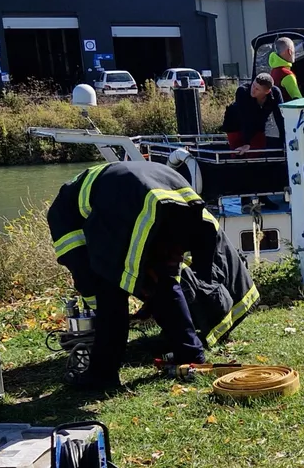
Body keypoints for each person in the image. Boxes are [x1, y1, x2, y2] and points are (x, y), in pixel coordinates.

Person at [47, 161, 260, 392]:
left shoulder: (61, 215)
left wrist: (99, 307)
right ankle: (190, 354)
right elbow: (147, 266)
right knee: (165, 282)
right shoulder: (91, 192)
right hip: (174, 191)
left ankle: (102, 375)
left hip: (133, 197)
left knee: (109, 291)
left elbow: (86, 272)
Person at [223, 73, 285, 152]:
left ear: (267, 91)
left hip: (258, 124)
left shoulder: (275, 93)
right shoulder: (242, 91)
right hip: (235, 123)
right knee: (238, 153)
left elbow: (280, 117)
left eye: (257, 89)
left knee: (259, 153)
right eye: (253, 85)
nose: (253, 90)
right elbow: (245, 118)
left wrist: (284, 140)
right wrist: (246, 143)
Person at [269, 37, 302, 102]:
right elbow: (299, 101)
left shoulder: (273, 71)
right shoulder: (287, 75)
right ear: (289, 51)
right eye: (293, 50)